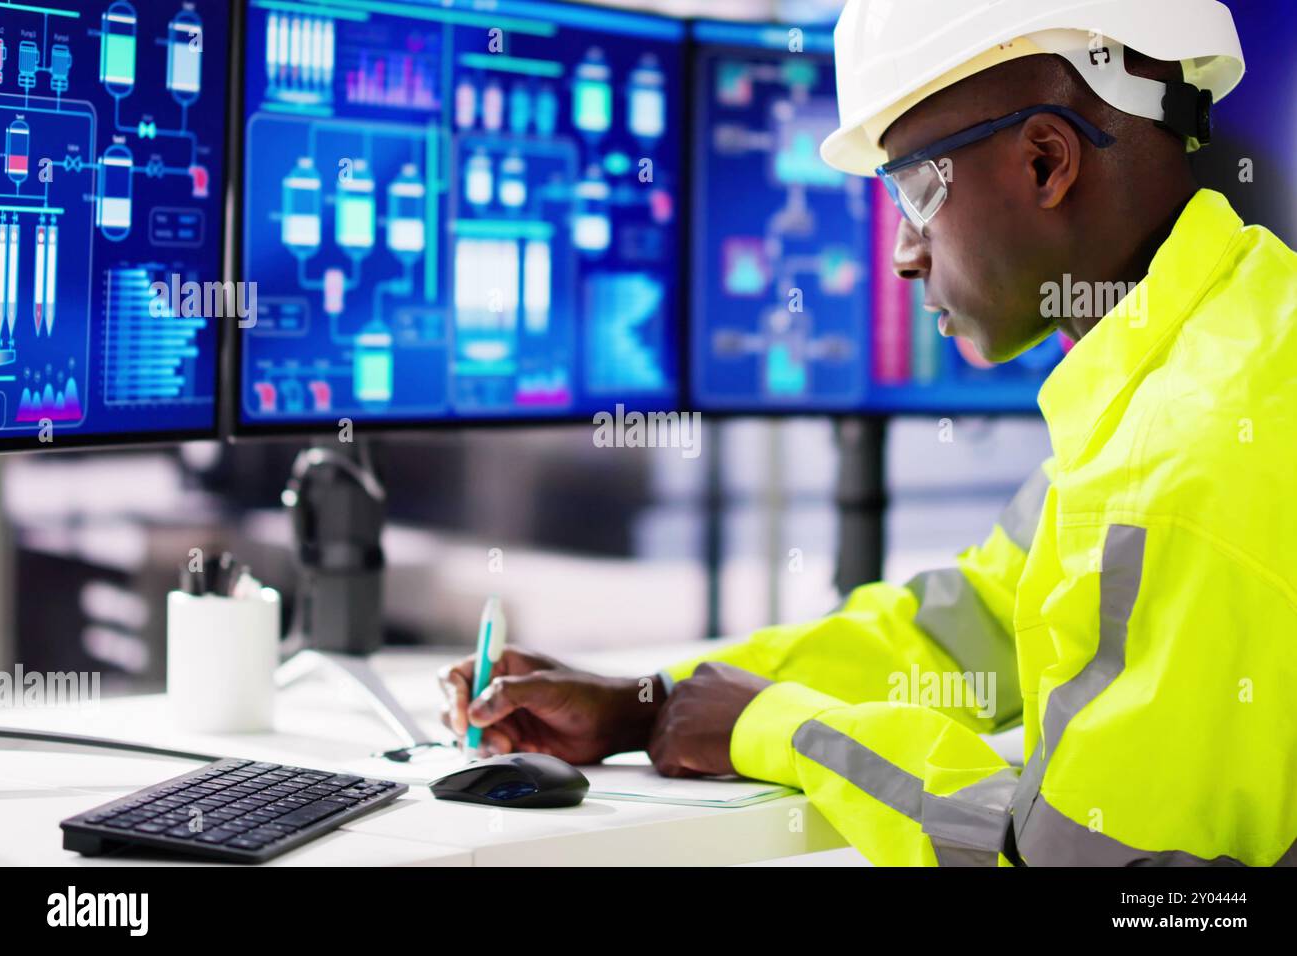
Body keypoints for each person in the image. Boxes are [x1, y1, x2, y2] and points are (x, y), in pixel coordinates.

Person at [440, 0, 1297, 866]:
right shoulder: (1219, 339)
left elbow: (1080, 866)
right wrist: (652, 702)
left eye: (916, 189)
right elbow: (968, 632)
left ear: (1045, 161)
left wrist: (777, 728)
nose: (901, 252)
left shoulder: (1188, 456)